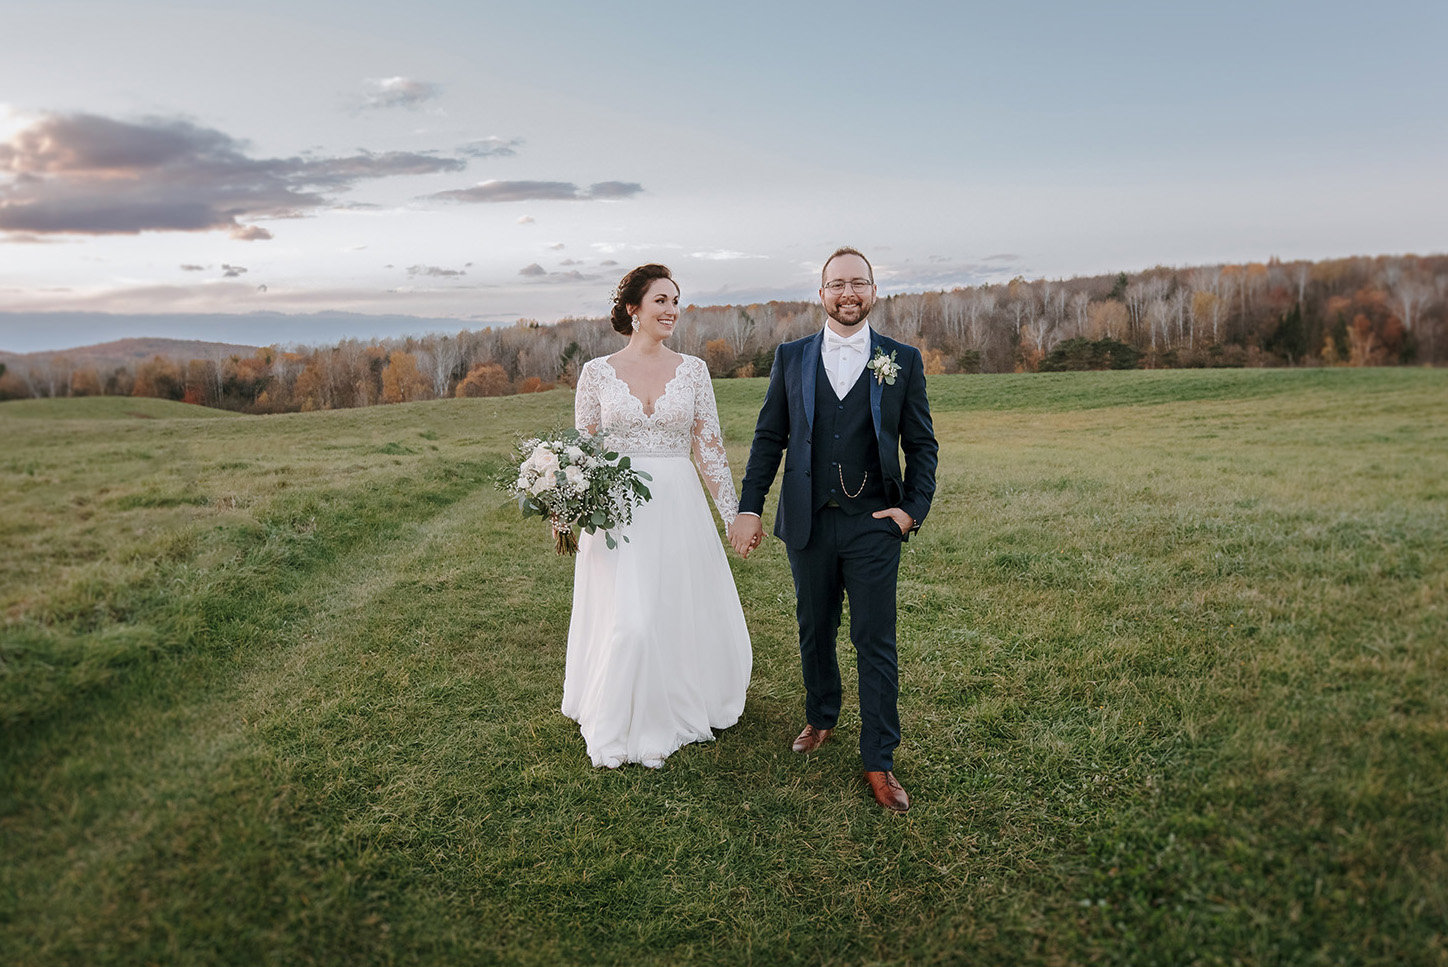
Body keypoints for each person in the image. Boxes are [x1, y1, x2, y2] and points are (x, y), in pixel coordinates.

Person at [728, 247, 938, 812]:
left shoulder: (902, 359)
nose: (849, 293)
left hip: (874, 524)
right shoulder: (791, 357)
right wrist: (750, 507)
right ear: (821, 293)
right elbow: (769, 437)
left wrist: (911, 510)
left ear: (874, 291)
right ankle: (821, 717)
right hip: (809, 520)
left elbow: (921, 444)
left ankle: (879, 760)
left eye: (859, 284)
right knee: (814, 628)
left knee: (875, 641)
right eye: (837, 284)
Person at [563, 263, 752, 768]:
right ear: (633, 310)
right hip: (617, 511)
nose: (672, 310)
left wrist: (732, 515)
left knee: (670, 605)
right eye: (661, 301)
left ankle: (673, 702)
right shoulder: (596, 373)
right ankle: (621, 711)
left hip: (677, 504)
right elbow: (581, 451)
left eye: (675, 301)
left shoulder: (692, 370)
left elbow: (708, 446)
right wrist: (565, 508)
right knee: (632, 618)